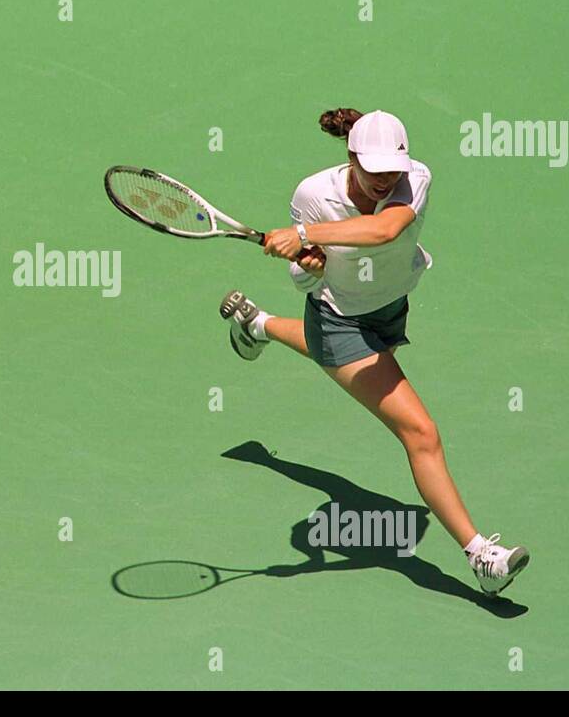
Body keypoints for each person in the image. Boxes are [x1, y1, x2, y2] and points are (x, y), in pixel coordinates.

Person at [220, 108, 529, 596]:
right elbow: (304, 277)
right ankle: (481, 556)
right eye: (375, 169)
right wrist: (310, 265)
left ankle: (256, 324)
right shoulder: (313, 195)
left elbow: (385, 231)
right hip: (340, 321)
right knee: (420, 432)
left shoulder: (415, 179)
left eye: (393, 169)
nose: (386, 179)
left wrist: (305, 236)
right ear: (351, 158)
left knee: (333, 360)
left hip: (389, 307)